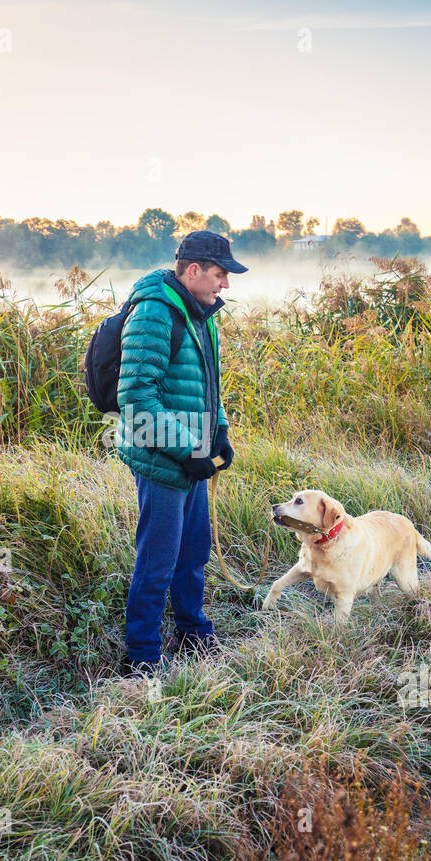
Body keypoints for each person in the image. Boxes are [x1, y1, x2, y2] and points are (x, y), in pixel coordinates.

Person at [113, 230, 247, 676]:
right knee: (158, 561)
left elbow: (210, 384)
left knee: (194, 554)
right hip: (161, 461)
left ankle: (193, 633)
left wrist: (220, 431)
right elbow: (135, 396)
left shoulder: (203, 313)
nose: (224, 284)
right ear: (193, 271)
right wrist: (187, 449)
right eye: (219, 274)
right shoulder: (154, 313)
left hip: (192, 458)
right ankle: (143, 656)